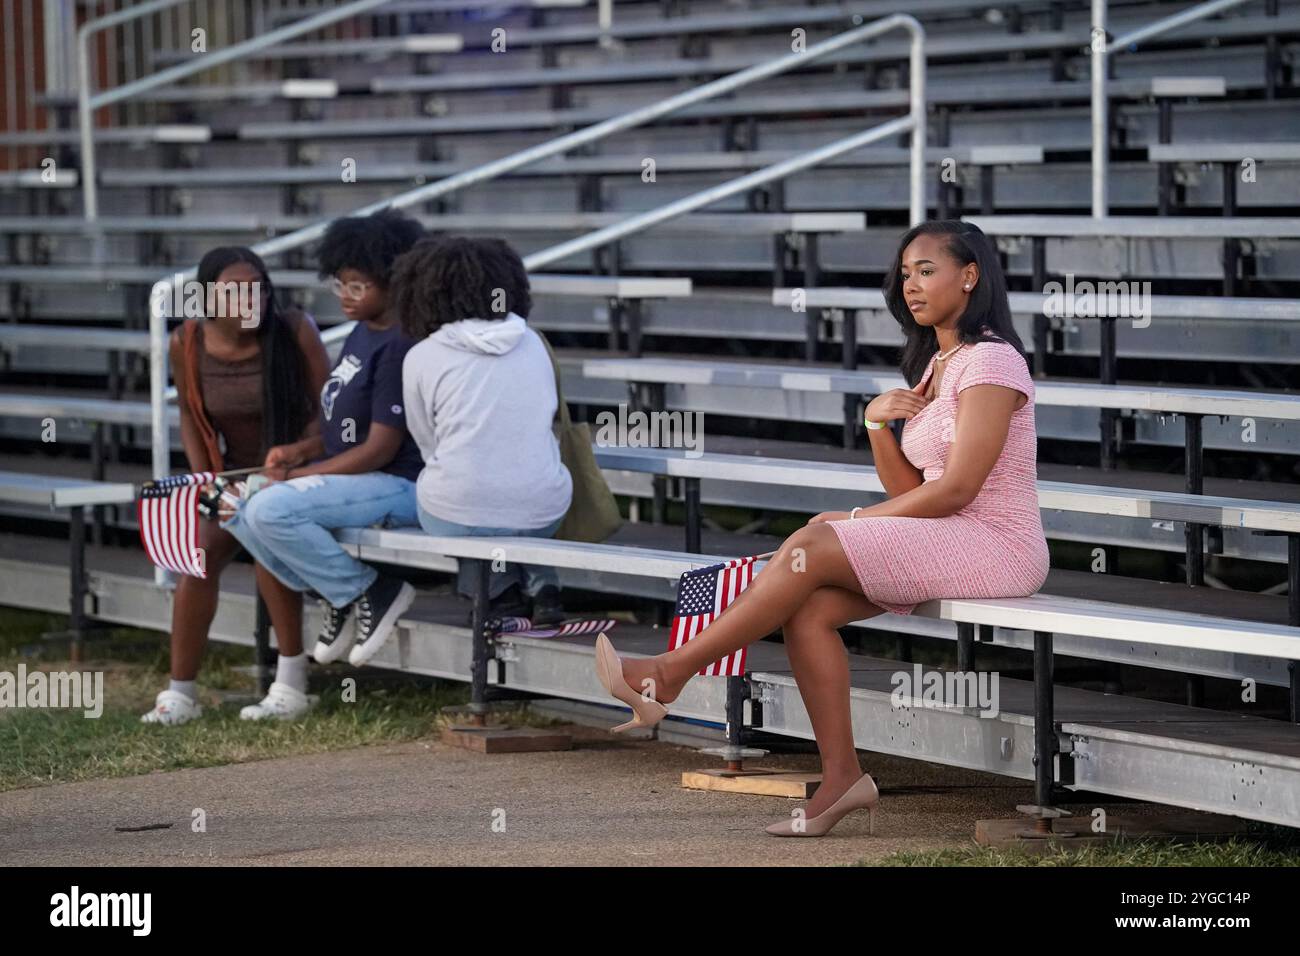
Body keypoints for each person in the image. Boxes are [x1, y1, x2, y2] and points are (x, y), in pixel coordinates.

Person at [592, 220, 1051, 837]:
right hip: (947, 534)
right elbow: (910, 493)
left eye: (927, 270)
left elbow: (959, 489)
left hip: (997, 543)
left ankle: (668, 673)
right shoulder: (937, 367)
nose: (910, 286)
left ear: (970, 276)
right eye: (905, 274)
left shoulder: (993, 360)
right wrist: (875, 425)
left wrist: (853, 520)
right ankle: (843, 779)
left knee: (811, 543)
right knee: (806, 612)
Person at [219, 209, 427, 712]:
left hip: (400, 484)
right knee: (235, 509)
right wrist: (300, 451)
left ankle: (370, 591)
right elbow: (342, 428)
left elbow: (379, 447)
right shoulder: (362, 331)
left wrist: (299, 479)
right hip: (358, 478)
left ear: (393, 280)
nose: (345, 295)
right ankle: (340, 596)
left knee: (271, 507)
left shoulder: (400, 342)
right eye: (341, 283)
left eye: (358, 285)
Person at [142, 247, 330, 725]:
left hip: (300, 472)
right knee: (198, 555)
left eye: (259, 289)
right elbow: (189, 414)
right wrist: (208, 481)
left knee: (264, 535)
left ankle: (291, 684)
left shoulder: (294, 331)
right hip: (232, 474)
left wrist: (294, 461)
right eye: (236, 291)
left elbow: (332, 414)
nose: (252, 300)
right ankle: (180, 694)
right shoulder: (186, 341)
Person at [391, 236, 572, 625]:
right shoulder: (534, 342)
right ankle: (544, 588)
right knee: (513, 502)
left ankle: (497, 594)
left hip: (459, 510)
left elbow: (427, 440)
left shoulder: (421, 355)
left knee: (457, 498)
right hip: (545, 508)